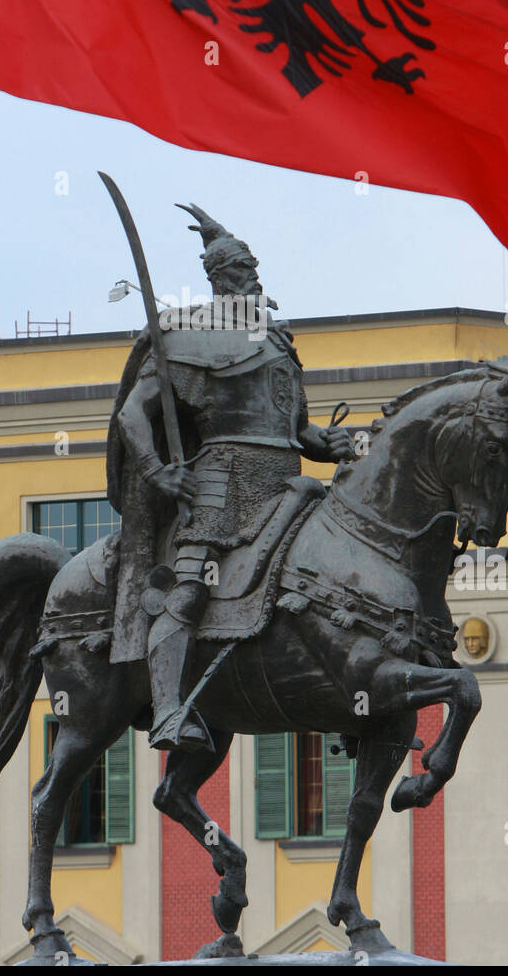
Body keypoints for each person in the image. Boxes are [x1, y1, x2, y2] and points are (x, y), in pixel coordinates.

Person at [106, 203, 352, 751]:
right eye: (242, 271)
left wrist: (330, 446)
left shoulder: (279, 343)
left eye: (254, 268)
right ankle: (168, 708)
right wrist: (156, 471)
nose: (255, 279)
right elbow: (132, 415)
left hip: (289, 480)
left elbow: (298, 430)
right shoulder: (190, 339)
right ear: (219, 280)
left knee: (329, 579)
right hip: (222, 482)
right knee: (190, 588)